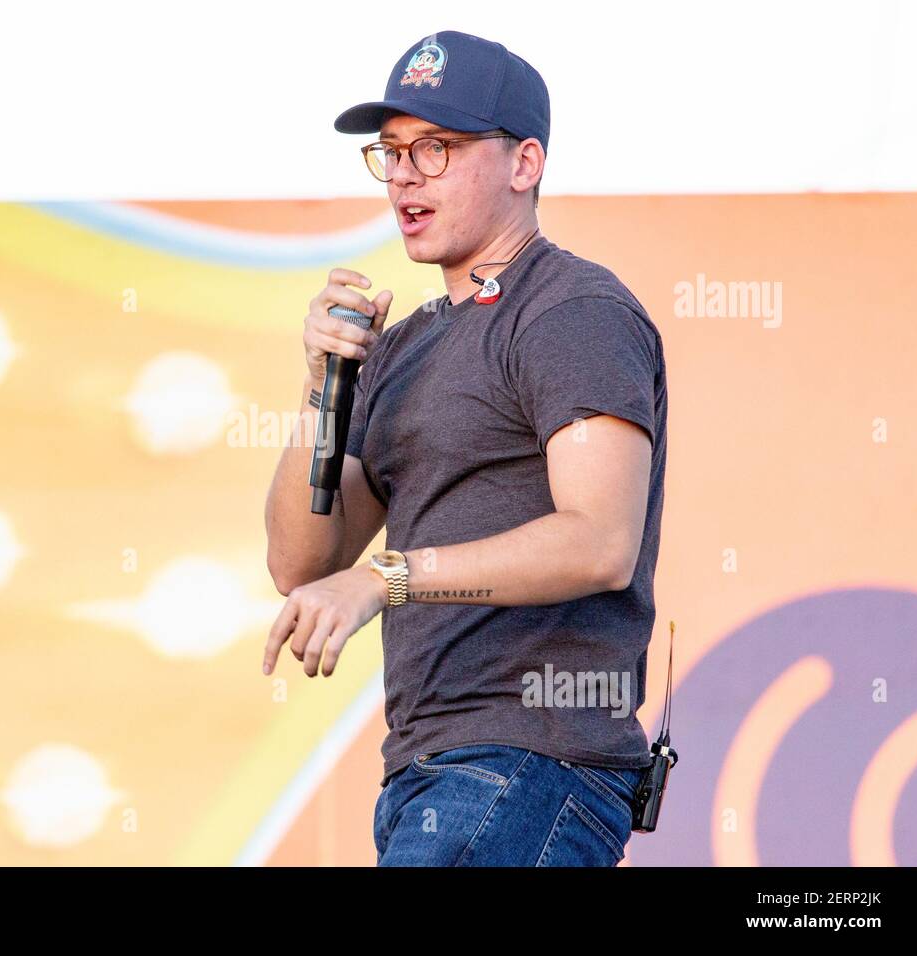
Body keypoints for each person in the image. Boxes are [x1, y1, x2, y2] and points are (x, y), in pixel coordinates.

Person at [261, 30, 668, 866]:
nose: (405, 174)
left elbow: (599, 542)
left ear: (525, 163)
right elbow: (303, 565)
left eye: (437, 148)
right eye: (393, 151)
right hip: (427, 767)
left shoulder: (571, 309)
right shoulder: (405, 345)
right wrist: (320, 387)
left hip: (530, 759)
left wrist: (389, 575)